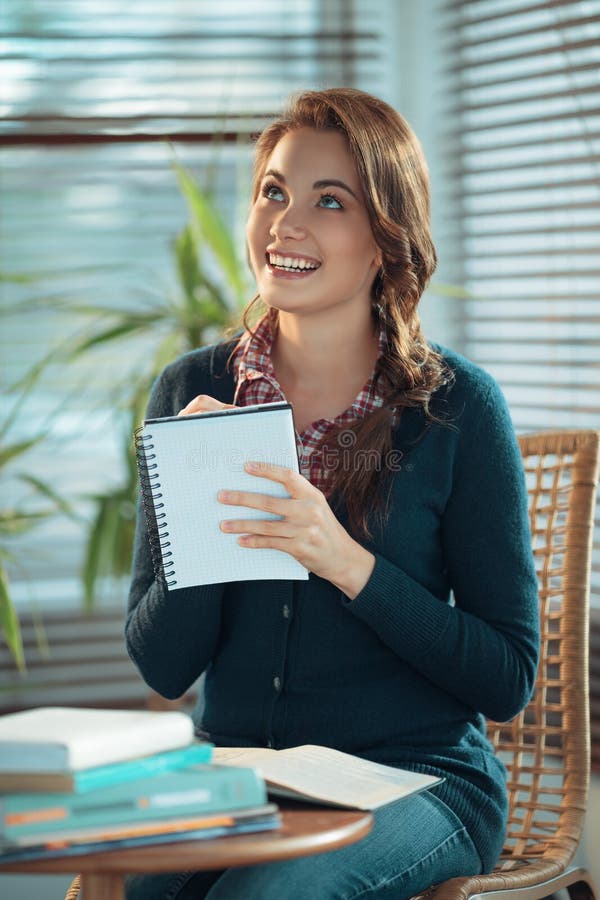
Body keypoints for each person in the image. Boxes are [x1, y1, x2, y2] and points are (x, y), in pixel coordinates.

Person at [125, 88, 539, 900]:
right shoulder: (192, 390)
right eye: (274, 191)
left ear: (386, 238)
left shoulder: (456, 408)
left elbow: (506, 676)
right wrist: (201, 499)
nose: (286, 223)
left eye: (330, 200)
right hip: (243, 777)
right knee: (138, 887)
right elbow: (164, 666)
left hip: (418, 780)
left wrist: (345, 562)